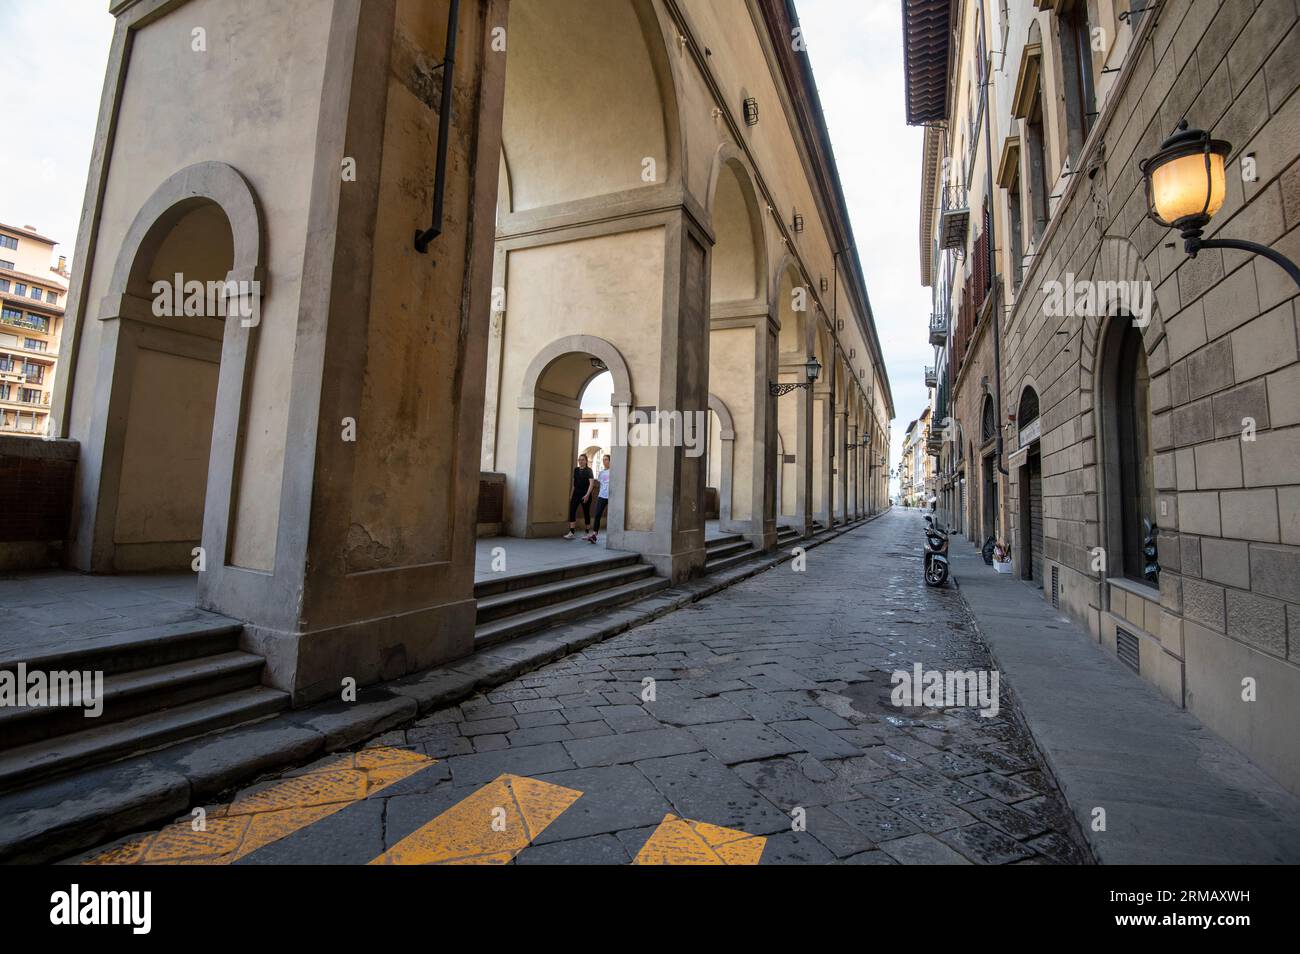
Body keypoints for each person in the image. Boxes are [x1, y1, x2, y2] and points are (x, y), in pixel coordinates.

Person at [563, 454, 596, 539]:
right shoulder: (576, 470)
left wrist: (587, 495)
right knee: (572, 511)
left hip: (585, 494)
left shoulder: (589, 470)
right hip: (576, 494)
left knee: (586, 512)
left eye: (582, 460)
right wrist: (571, 494)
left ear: (586, 461)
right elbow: (574, 484)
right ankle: (571, 532)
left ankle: (587, 532)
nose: (580, 461)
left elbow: (591, 484)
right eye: (579, 460)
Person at [585, 454, 611, 544]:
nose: (604, 461)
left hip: (612, 497)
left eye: (606, 459)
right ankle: (594, 535)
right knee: (597, 514)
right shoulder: (601, 473)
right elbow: (600, 484)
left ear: (610, 461)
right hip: (602, 496)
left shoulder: (613, 471)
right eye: (603, 459)